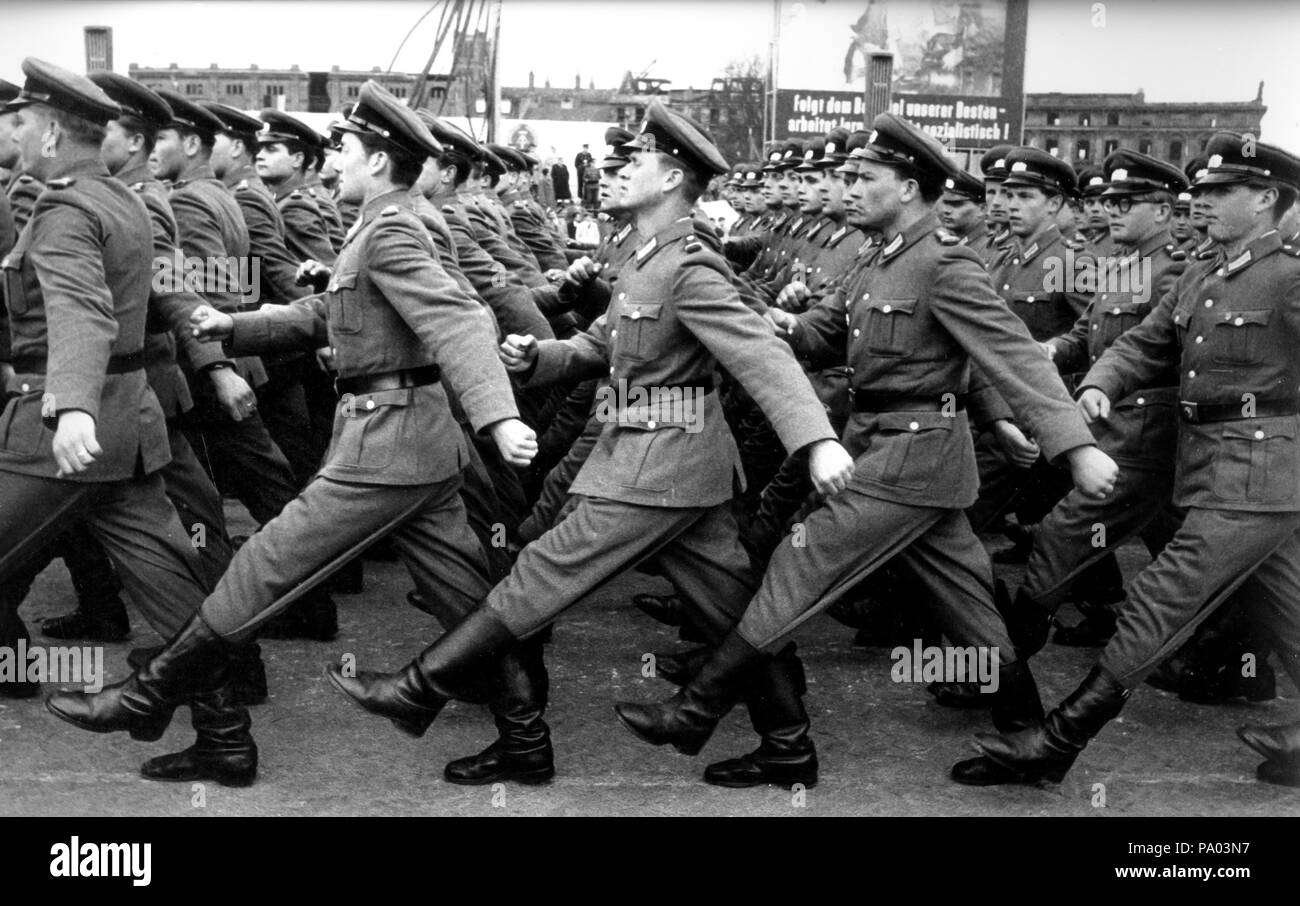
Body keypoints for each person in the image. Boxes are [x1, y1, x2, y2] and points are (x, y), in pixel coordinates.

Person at [326, 98, 856, 790]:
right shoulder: (647, 255)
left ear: (670, 179)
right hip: (675, 468)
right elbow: (602, 344)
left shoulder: (692, 265)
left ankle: (418, 689)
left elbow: (761, 354)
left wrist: (815, 440)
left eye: (635, 160)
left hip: (657, 464)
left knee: (535, 575)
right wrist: (537, 358)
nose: (621, 170)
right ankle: (787, 743)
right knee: (733, 610)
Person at [46, 79, 545, 787]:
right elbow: (329, 311)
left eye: (343, 149)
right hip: (419, 440)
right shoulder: (394, 220)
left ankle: (149, 690)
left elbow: (460, 319)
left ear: (376, 162)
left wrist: (500, 416)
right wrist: (236, 325)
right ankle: (526, 739)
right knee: (466, 601)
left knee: (262, 566)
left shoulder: (395, 226)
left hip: (387, 445)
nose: (332, 160)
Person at [611, 113, 1117, 788]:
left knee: (797, 564)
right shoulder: (873, 259)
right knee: (970, 610)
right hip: (901, 457)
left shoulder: (944, 262)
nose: (851, 187)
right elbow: (820, 334)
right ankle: (1028, 736)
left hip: (907, 459)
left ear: (909, 189)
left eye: (866, 177)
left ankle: (696, 710)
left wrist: (1074, 449)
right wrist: (765, 314)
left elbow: (1013, 356)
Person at [970, 132, 1300, 789]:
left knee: (1158, 598)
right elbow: (1147, 342)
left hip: (1258, 472)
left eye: (1219, 191)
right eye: (1198, 190)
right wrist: (1100, 382)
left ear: (1265, 199)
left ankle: (1057, 741)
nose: (1199, 201)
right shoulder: (1206, 273)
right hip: (1214, 465)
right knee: (1287, 605)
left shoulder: (1290, 276)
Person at [0, 57, 227, 765]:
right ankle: (226, 736)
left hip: (62, 434)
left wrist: (70, 410)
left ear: (50, 134)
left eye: (24, 120)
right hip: (125, 426)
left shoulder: (65, 208)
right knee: (170, 586)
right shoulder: (122, 197)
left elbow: (83, 314)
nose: (15, 130)